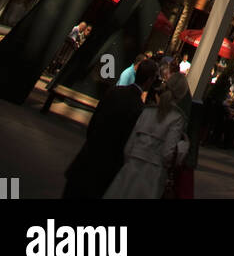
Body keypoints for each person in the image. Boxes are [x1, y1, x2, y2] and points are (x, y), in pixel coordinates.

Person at [63, 59, 158, 199]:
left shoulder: (114, 91)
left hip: (87, 157)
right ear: (149, 80)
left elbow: (94, 121)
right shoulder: (139, 109)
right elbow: (128, 144)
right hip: (105, 170)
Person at [103, 73, 190, 199]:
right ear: (182, 94)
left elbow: (129, 146)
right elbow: (167, 154)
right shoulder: (177, 118)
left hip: (131, 167)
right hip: (152, 175)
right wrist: (183, 147)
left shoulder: (148, 111)